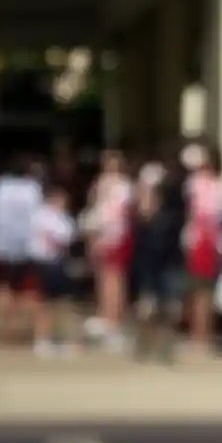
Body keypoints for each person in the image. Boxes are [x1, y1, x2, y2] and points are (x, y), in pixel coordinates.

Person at [129, 149, 189, 364]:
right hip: (166, 261)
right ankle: (160, 347)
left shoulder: (159, 219)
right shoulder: (175, 215)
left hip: (159, 262)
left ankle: (147, 346)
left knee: (154, 305)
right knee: (165, 307)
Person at [0, 154, 43, 345]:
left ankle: (7, 328)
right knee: (28, 289)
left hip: (1, 245)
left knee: (3, 285)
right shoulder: (32, 189)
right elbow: (38, 217)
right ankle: (23, 329)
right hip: (28, 245)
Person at [83, 148, 134, 353]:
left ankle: (114, 320)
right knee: (104, 277)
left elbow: (120, 212)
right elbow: (94, 208)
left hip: (115, 236)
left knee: (114, 278)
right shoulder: (100, 184)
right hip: (101, 235)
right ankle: (106, 315)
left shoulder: (123, 185)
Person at [182, 142, 222, 354]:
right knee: (205, 289)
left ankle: (199, 334)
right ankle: (204, 333)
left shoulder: (197, 184)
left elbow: (194, 212)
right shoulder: (219, 185)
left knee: (200, 289)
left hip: (202, 240)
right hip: (212, 240)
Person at [26, 183, 80, 359]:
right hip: (48, 263)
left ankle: (47, 339)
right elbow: (64, 237)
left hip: (49, 262)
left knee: (52, 303)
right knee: (52, 303)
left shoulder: (44, 216)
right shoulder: (50, 216)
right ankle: (46, 339)